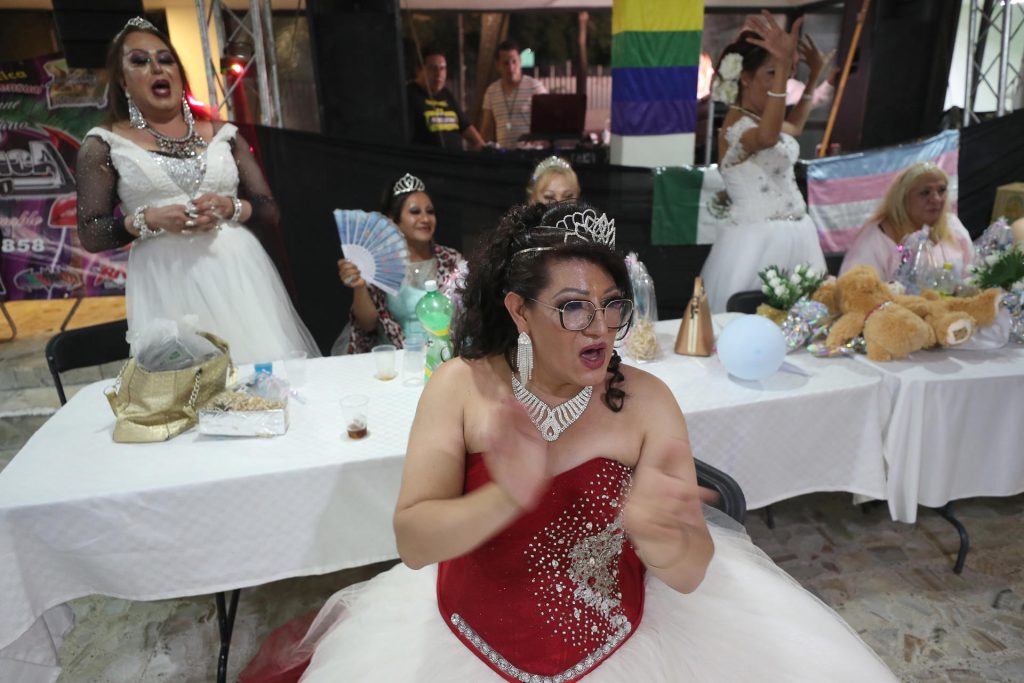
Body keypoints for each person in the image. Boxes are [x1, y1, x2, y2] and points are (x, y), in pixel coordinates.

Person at [242, 201, 897, 682]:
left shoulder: (645, 399)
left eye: (612, 304)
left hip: (624, 635)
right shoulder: (461, 388)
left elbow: (692, 569)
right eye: (574, 306)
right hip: (465, 635)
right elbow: (415, 541)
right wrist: (507, 495)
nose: (601, 328)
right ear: (518, 309)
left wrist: (666, 537)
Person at [75, 17, 319, 364]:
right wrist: (147, 219)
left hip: (237, 272)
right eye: (140, 61)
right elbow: (91, 233)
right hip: (166, 281)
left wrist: (229, 207)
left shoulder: (223, 133)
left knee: (265, 378)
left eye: (165, 58)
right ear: (122, 80)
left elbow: (268, 209)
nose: (157, 67)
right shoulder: (105, 144)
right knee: (190, 388)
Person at [700, 12, 828, 313]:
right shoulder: (736, 123)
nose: (782, 79)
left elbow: (792, 128)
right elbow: (769, 137)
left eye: (784, 73)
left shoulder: (760, 119)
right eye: (772, 73)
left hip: (800, 236)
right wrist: (784, 63)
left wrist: (813, 77)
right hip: (756, 246)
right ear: (746, 77)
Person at [337, 173, 464, 353]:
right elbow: (368, 324)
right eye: (415, 212)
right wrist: (359, 286)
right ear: (393, 221)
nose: (425, 218)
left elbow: (469, 314)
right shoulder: (380, 265)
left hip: (444, 356)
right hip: (399, 359)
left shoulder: (452, 260)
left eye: (430, 211)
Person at [840, 162, 975, 281]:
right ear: (903, 199)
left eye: (941, 190)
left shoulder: (953, 227)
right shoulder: (876, 239)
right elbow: (855, 291)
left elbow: (972, 278)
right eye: (925, 193)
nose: (936, 199)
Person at [407, 46, 484, 151]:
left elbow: (466, 126)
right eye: (433, 68)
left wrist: (483, 147)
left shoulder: (446, 94)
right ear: (418, 70)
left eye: (442, 68)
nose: (439, 74)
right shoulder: (409, 95)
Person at [480, 40, 548, 149]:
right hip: (504, 157)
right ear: (498, 65)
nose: (510, 67)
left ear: (520, 61)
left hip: (530, 154)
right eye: (506, 63)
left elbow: (549, 119)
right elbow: (486, 128)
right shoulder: (491, 91)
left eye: (514, 61)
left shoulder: (534, 87)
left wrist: (542, 140)